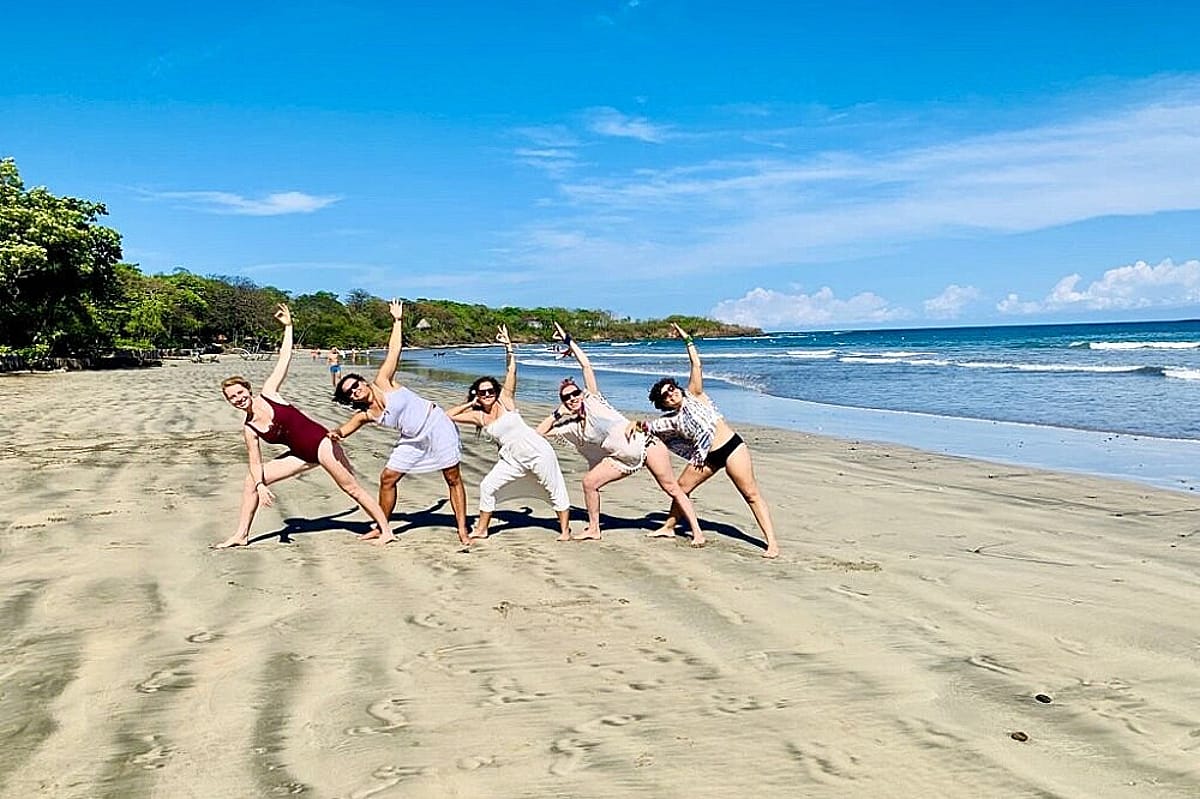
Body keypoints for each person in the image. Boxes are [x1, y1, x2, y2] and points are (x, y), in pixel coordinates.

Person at [217, 304, 394, 549]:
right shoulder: (249, 428)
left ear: (248, 389)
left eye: (239, 393)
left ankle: (385, 530)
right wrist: (260, 485)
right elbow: (255, 462)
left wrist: (288, 327)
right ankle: (241, 534)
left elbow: (284, 358)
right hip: (300, 454)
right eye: (232, 398)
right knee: (251, 480)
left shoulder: (269, 392)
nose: (238, 399)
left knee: (350, 487)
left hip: (322, 443)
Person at [534, 323, 706, 545]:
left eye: (575, 393)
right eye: (566, 397)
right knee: (589, 483)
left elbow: (586, 366)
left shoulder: (594, 400)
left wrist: (568, 340)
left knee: (671, 487)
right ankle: (594, 529)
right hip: (621, 460)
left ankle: (697, 532)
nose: (572, 398)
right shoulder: (573, 426)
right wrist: (558, 413)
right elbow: (539, 433)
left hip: (646, 444)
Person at [330, 300, 471, 547]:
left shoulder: (383, 381)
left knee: (452, 477)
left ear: (362, 381)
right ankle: (382, 525)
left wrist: (397, 321)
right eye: (349, 392)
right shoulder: (365, 415)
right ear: (349, 399)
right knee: (388, 478)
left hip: (437, 425)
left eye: (356, 384)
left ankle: (462, 529)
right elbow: (341, 431)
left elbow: (394, 351)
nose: (355, 390)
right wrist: (327, 436)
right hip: (412, 439)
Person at [632, 323, 780, 558]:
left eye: (671, 389)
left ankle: (771, 542)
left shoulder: (695, 395)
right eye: (666, 396)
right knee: (681, 488)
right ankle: (669, 527)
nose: (671, 393)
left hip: (731, 448)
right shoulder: (671, 420)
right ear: (664, 405)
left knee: (750, 494)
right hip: (705, 457)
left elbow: (696, 364)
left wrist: (687, 340)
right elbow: (648, 426)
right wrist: (633, 426)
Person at [446, 325, 573, 541]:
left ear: (496, 392)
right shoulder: (479, 416)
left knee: (554, 488)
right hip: (511, 459)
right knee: (487, 486)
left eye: (490, 391)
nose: (487, 394)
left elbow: (511, 371)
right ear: (476, 394)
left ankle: (564, 531)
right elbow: (448, 415)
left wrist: (508, 347)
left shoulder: (506, 400)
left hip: (536, 451)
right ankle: (482, 529)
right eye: (482, 392)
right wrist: (471, 404)